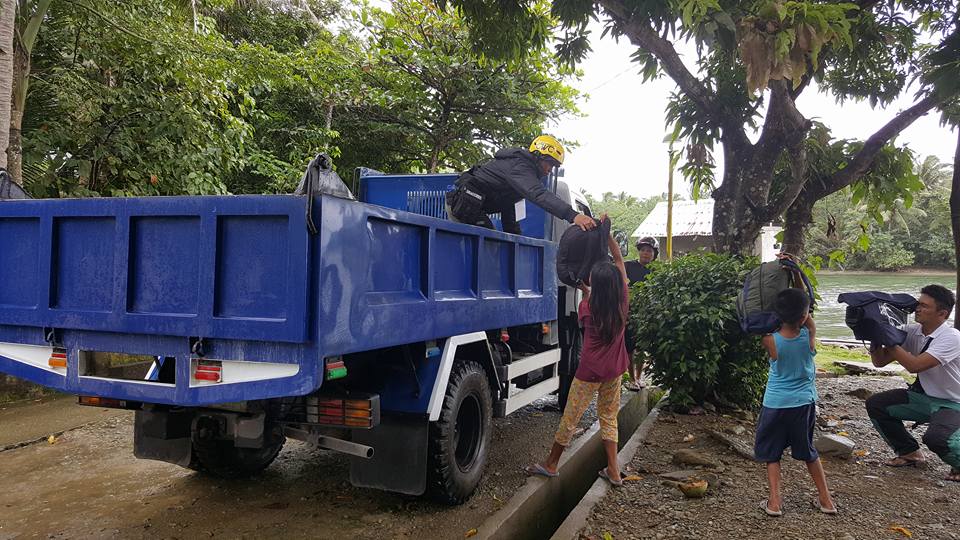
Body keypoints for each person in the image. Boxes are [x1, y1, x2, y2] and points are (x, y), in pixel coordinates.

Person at [524, 218, 629, 485]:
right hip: (615, 370)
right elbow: (617, 261)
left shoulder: (587, 308)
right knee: (608, 417)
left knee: (571, 417)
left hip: (590, 372)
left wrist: (585, 291)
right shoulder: (622, 300)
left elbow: (587, 300)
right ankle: (614, 471)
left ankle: (551, 464)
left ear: (595, 285)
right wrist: (606, 235)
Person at [865, 284, 960, 483]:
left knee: (936, 439)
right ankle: (909, 453)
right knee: (877, 404)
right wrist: (874, 335)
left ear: (942, 313)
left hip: (953, 403)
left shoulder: (951, 337)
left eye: (924, 306)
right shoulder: (913, 331)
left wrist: (889, 339)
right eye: (918, 304)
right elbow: (879, 361)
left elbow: (914, 366)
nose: (918, 309)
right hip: (924, 398)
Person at [755, 288, 836, 517]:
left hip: (775, 404)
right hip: (803, 403)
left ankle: (774, 502)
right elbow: (807, 319)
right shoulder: (807, 337)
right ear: (804, 316)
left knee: (772, 453)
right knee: (809, 451)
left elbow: (778, 322)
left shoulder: (769, 340)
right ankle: (826, 500)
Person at [444, 135, 596, 235]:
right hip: (464, 205)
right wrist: (573, 215)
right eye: (549, 164)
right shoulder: (520, 166)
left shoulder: (522, 176)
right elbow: (538, 194)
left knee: (493, 242)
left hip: (474, 207)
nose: (550, 170)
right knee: (488, 241)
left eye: (554, 166)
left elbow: (508, 207)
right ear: (538, 157)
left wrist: (515, 238)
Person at [624, 236, 658, 390]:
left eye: (649, 251)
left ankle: (639, 377)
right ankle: (631, 378)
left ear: (654, 253)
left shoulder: (657, 271)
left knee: (641, 348)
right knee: (629, 347)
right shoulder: (628, 266)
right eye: (643, 250)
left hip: (647, 314)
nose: (646, 253)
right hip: (629, 314)